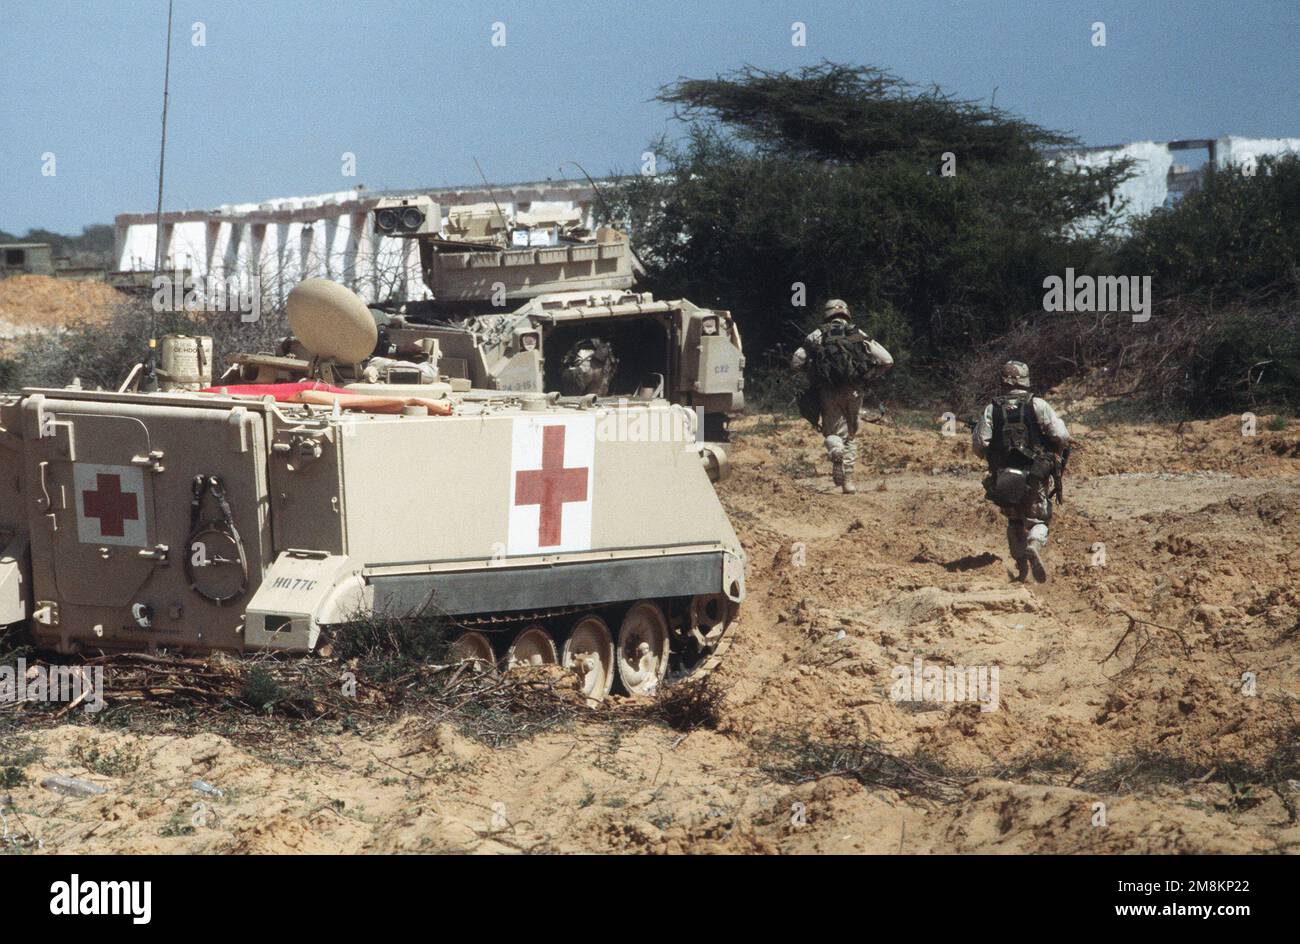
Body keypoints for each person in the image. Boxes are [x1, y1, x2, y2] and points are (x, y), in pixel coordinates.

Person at [971, 361, 1070, 582]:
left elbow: (979, 445)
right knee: (1039, 520)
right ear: (1025, 381)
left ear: (1003, 381)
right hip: (1035, 474)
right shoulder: (1038, 405)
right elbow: (1062, 436)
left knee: (1014, 521)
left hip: (1004, 477)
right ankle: (1034, 545)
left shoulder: (991, 409)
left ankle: (1021, 566)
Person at [791, 299, 894, 493]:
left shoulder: (817, 335)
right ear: (846, 313)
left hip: (828, 391)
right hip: (855, 390)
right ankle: (848, 483)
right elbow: (887, 360)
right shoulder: (858, 334)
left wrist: (812, 373)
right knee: (850, 436)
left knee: (832, 433)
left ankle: (835, 450)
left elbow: (796, 362)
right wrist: (868, 377)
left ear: (827, 313)